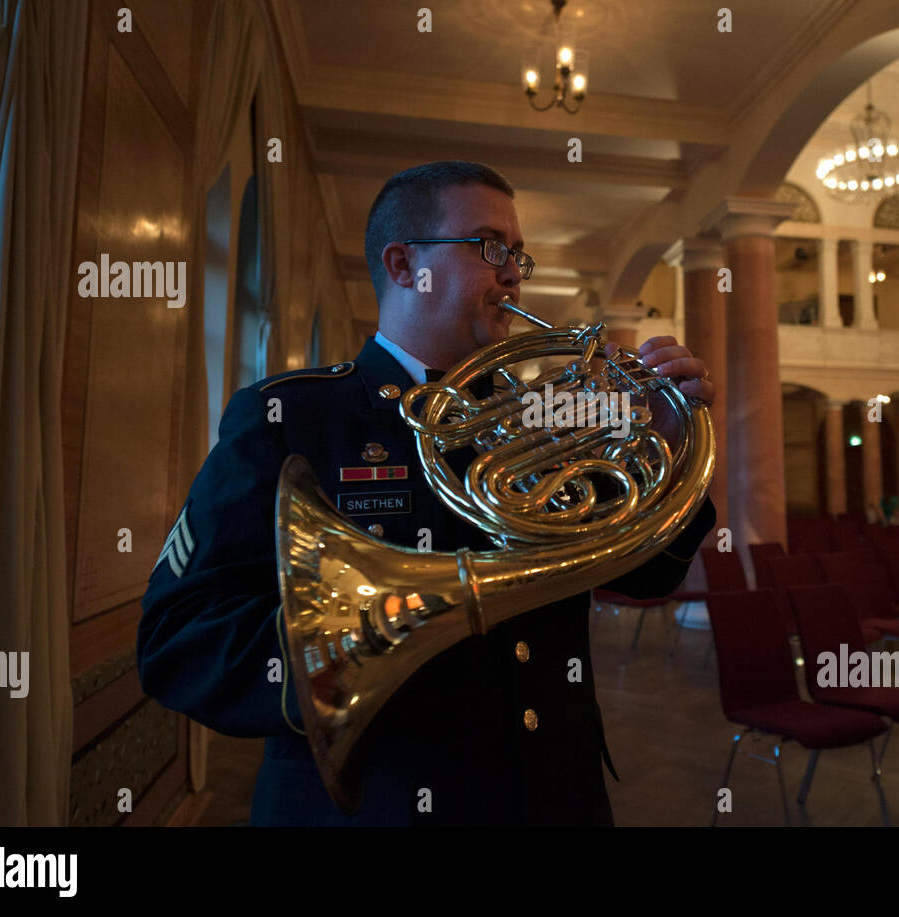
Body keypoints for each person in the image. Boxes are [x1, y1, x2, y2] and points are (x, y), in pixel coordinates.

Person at [137, 161, 717, 825]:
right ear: (405, 264)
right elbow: (178, 636)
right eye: (488, 246)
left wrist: (670, 452)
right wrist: (342, 658)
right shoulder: (294, 417)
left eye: (517, 254)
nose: (512, 273)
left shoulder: (545, 415)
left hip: (557, 797)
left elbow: (643, 573)